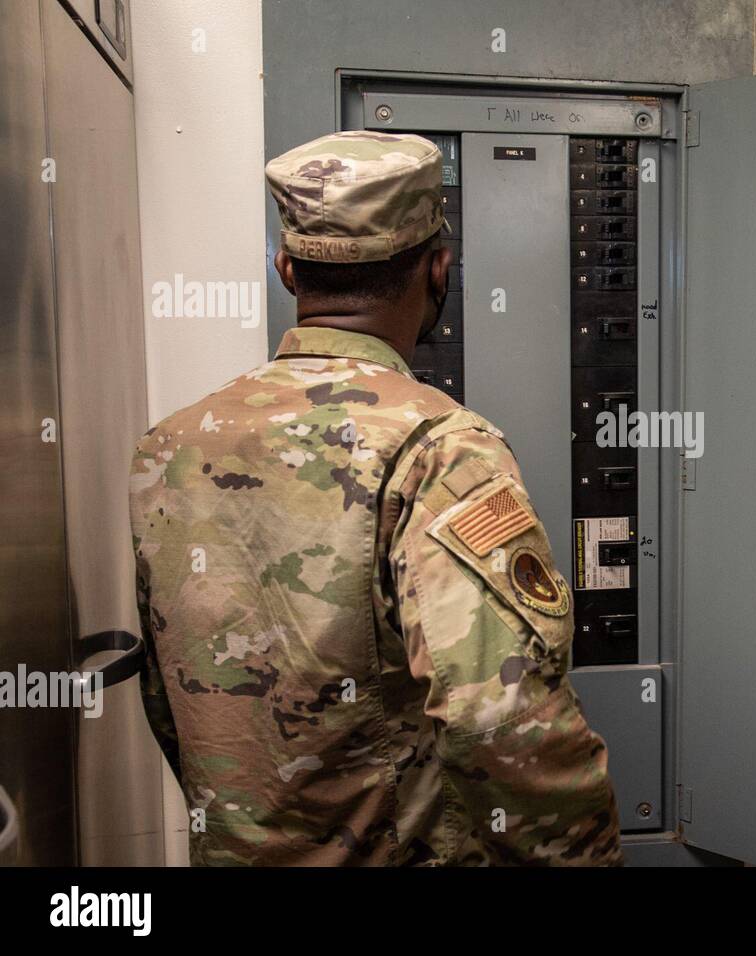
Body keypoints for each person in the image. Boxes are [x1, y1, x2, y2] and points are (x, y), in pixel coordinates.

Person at [129, 131, 622, 865]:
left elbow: (171, 698)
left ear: (287, 268)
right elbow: (499, 720)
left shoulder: (167, 449)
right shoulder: (440, 448)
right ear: (440, 270)